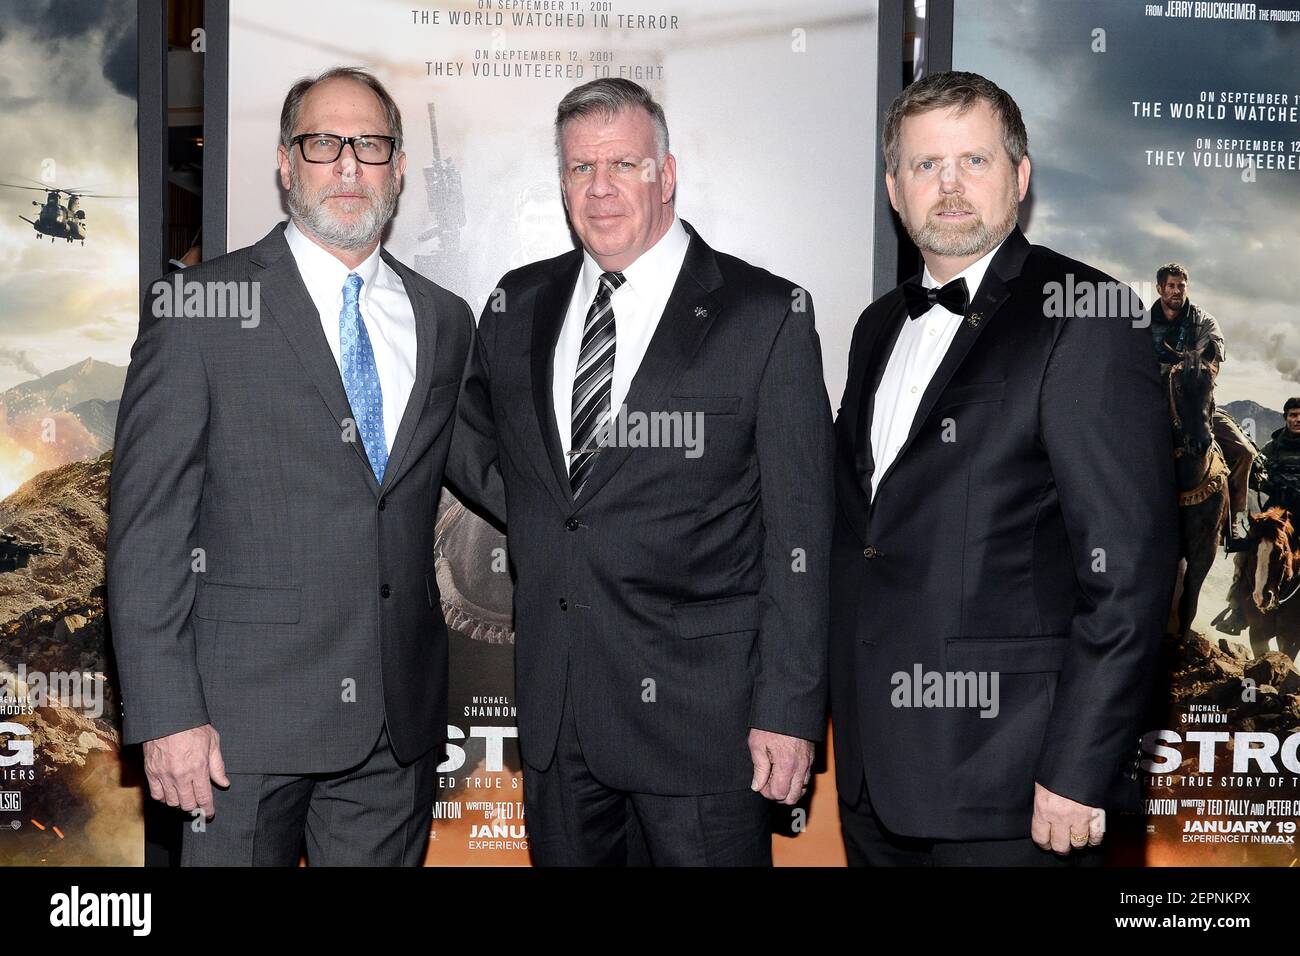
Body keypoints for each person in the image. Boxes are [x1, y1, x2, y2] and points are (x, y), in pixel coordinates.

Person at [108, 66, 496, 865]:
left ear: (396, 169)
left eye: (372, 145)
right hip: (234, 733)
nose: (349, 165)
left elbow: (493, 473)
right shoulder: (197, 312)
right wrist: (167, 714)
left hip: (395, 733)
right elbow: (146, 536)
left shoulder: (444, 320)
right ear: (286, 163)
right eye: (324, 143)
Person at [451, 77, 833, 866]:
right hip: (560, 716)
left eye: (622, 164)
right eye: (579, 169)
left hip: (707, 726)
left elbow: (802, 532)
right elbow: (486, 448)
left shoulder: (765, 316)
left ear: (665, 173)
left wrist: (790, 711)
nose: (599, 190)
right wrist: (540, 516)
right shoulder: (517, 304)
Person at [829, 70, 1178, 865]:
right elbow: (869, 539)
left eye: (974, 162)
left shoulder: (1084, 314)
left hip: (1016, 786)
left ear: (1019, 177)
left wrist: (1080, 769)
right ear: (894, 188)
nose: (948, 187)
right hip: (876, 781)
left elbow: (1130, 571)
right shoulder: (876, 325)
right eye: (925, 166)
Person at [1149, 262, 1255, 543]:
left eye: (1181, 286)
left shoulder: (1203, 321)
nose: (1176, 291)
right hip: (1154, 405)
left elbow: (1213, 363)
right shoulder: (1144, 324)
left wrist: (1189, 370)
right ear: (1160, 288)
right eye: (1170, 285)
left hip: (1198, 406)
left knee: (1244, 452)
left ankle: (1237, 521)